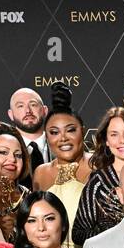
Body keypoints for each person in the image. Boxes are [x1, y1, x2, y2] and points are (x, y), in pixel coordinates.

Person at [73, 106, 124, 245]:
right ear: (107, 141)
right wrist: (116, 236)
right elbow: (79, 233)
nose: (122, 140)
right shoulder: (98, 183)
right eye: (114, 134)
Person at [31, 83, 92, 235]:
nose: (63, 138)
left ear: (82, 131)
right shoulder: (41, 172)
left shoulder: (98, 165)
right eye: (54, 132)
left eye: (70, 130)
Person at [8, 87, 48, 171]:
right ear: (11, 114)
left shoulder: (61, 145)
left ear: (45, 111)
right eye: (20, 106)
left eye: (33, 104)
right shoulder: (2, 149)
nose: (28, 111)